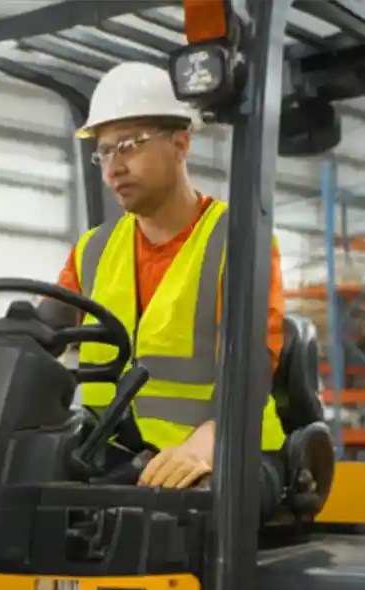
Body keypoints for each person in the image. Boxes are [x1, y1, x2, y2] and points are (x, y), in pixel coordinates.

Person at [46, 61, 287, 490]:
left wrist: (207, 442)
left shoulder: (237, 241)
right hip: (118, 456)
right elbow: (41, 334)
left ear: (180, 143)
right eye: (104, 152)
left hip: (226, 453)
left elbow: (252, 366)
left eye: (129, 146)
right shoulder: (93, 250)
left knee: (183, 513)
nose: (113, 168)